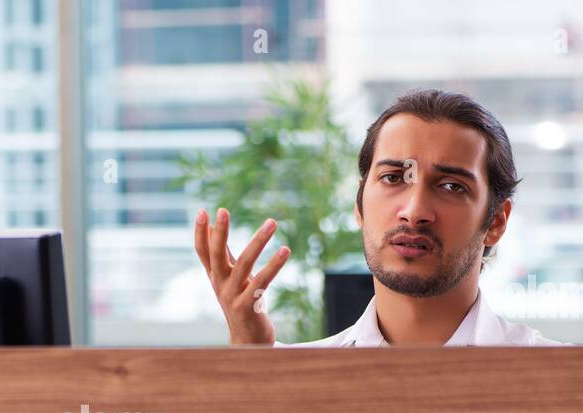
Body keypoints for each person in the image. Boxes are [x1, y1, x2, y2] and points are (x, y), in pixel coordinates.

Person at [194, 88, 562, 347]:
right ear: (359, 206)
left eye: (451, 187)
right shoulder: (287, 375)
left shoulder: (565, 378)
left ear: (496, 221)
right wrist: (251, 362)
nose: (415, 211)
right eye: (393, 178)